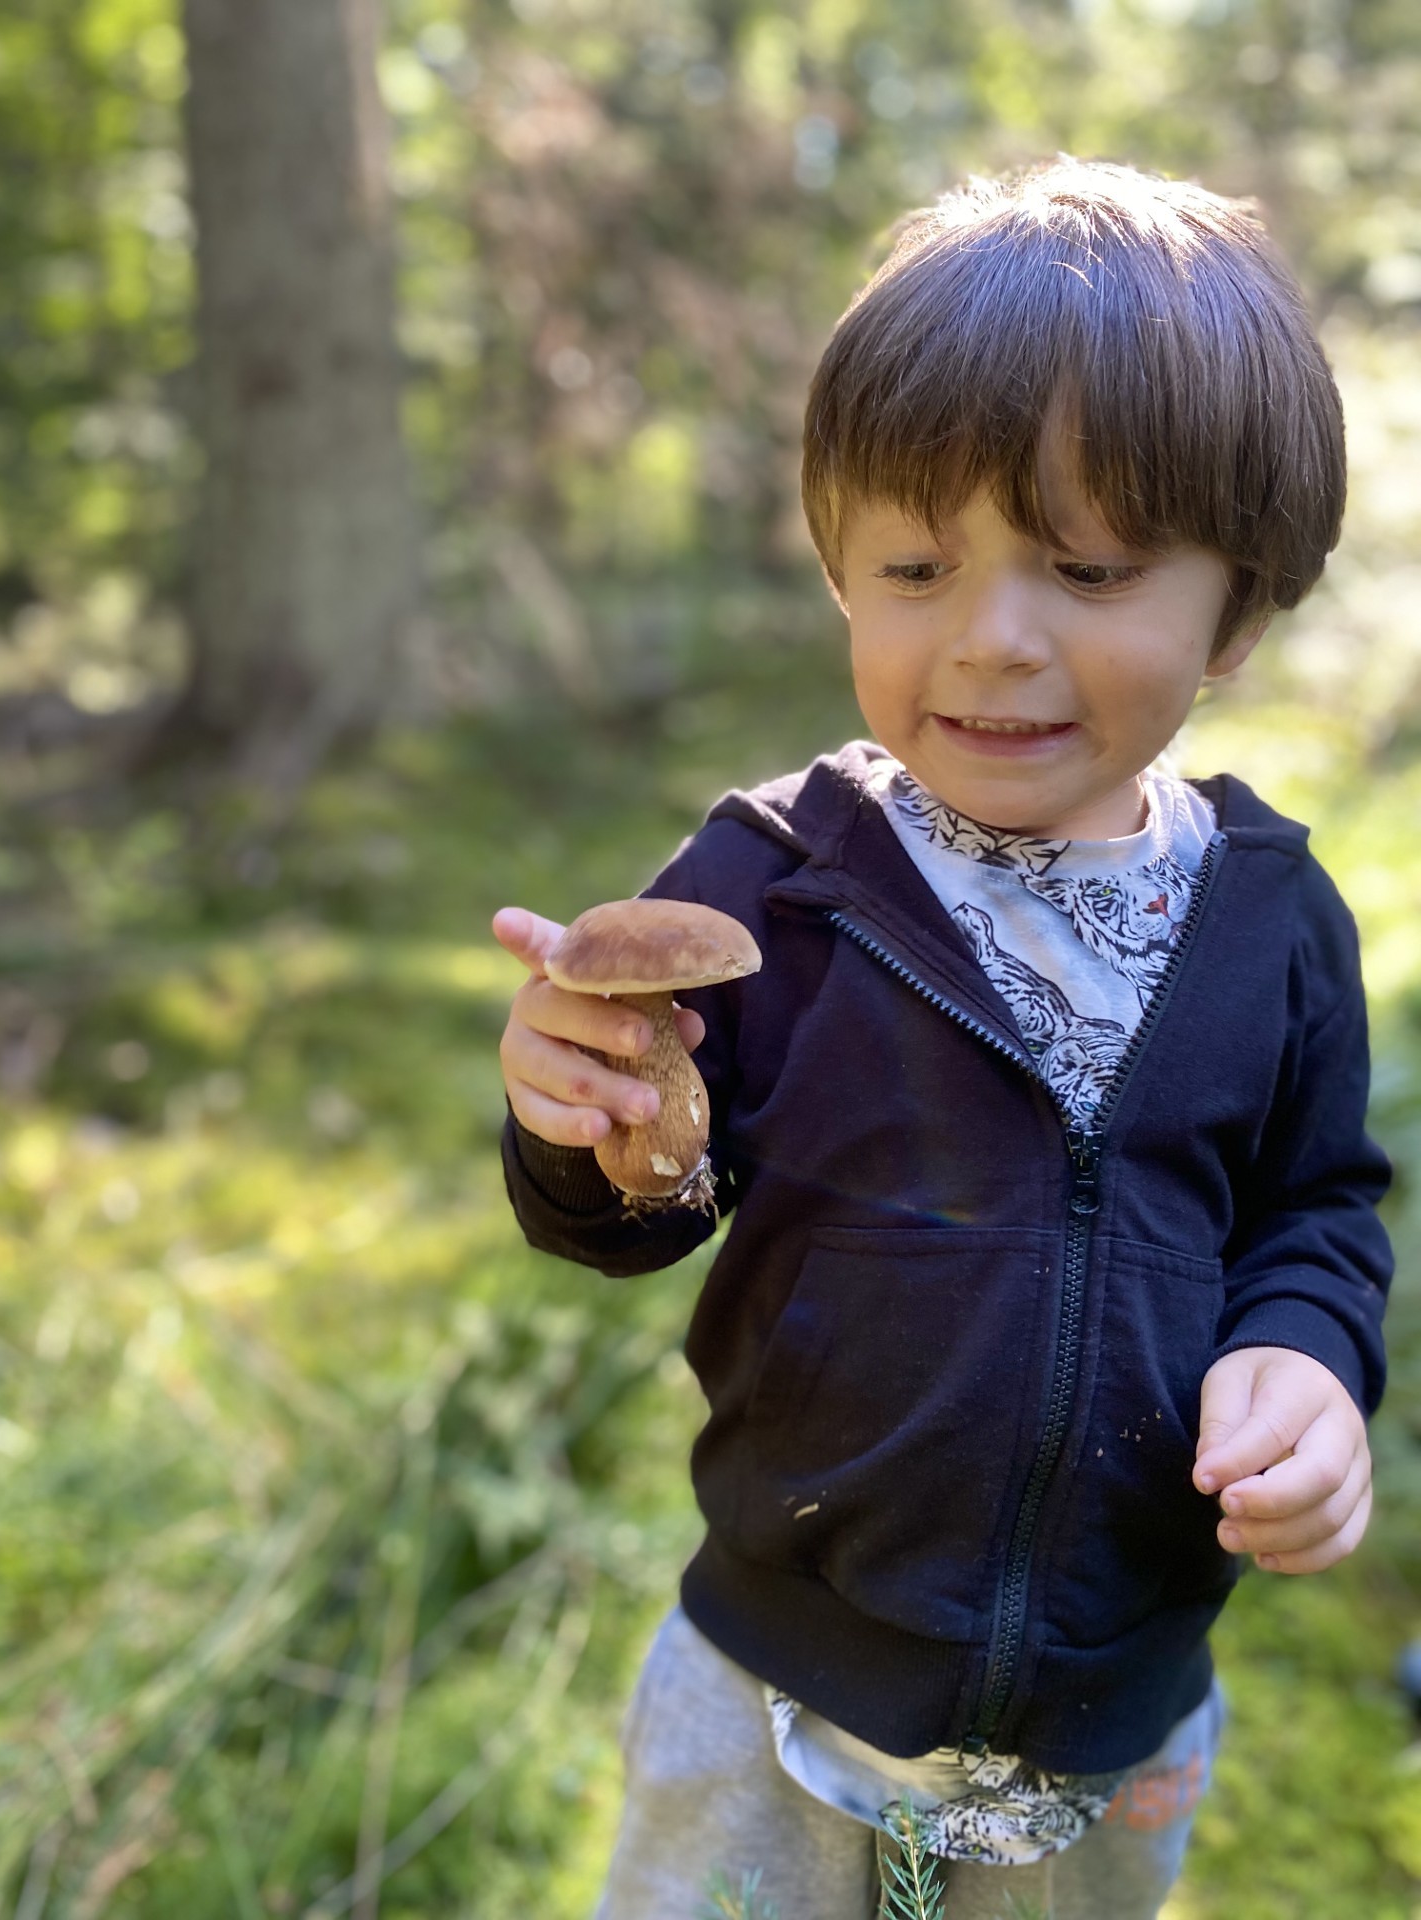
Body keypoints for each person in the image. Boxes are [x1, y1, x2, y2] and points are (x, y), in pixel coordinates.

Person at [492, 158, 1393, 1920]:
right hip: (771, 1668)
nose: (992, 638)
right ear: (838, 572)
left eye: (1089, 566)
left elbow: (1317, 1209)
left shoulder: (1274, 923)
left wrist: (1309, 1355)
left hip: (1103, 1707)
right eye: (916, 563)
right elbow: (647, 1202)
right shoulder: (779, 880)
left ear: (1242, 610)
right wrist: (578, 1126)